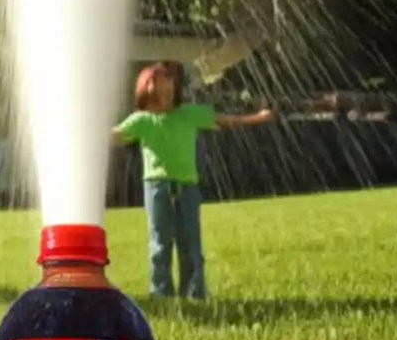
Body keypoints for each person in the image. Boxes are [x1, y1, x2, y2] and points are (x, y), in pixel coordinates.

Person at [111, 62, 275, 299]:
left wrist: (257, 118)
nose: (165, 98)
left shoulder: (189, 114)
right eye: (158, 93)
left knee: (190, 241)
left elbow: (225, 120)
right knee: (160, 243)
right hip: (157, 187)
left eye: (168, 91)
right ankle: (161, 293)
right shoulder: (141, 121)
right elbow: (114, 137)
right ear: (147, 92)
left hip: (187, 187)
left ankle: (194, 291)